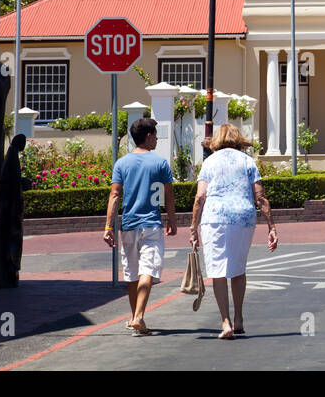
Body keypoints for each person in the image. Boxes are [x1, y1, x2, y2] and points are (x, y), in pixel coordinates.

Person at [190, 124, 277, 339]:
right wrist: (271, 226)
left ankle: (225, 322)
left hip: (215, 218)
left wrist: (193, 227)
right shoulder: (247, 161)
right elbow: (260, 197)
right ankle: (239, 318)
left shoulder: (209, 162)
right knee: (238, 268)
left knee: (218, 270)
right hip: (242, 217)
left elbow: (200, 197)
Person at [104, 117, 175, 335]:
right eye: (154, 134)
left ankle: (135, 317)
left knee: (132, 273)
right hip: (151, 224)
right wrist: (172, 219)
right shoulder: (160, 163)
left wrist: (108, 227)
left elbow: (115, 195)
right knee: (149, 270)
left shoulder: (122, 163)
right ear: (148, 136)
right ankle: (139, 317)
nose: (156, 138)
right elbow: (169, 195)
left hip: (128, 224)